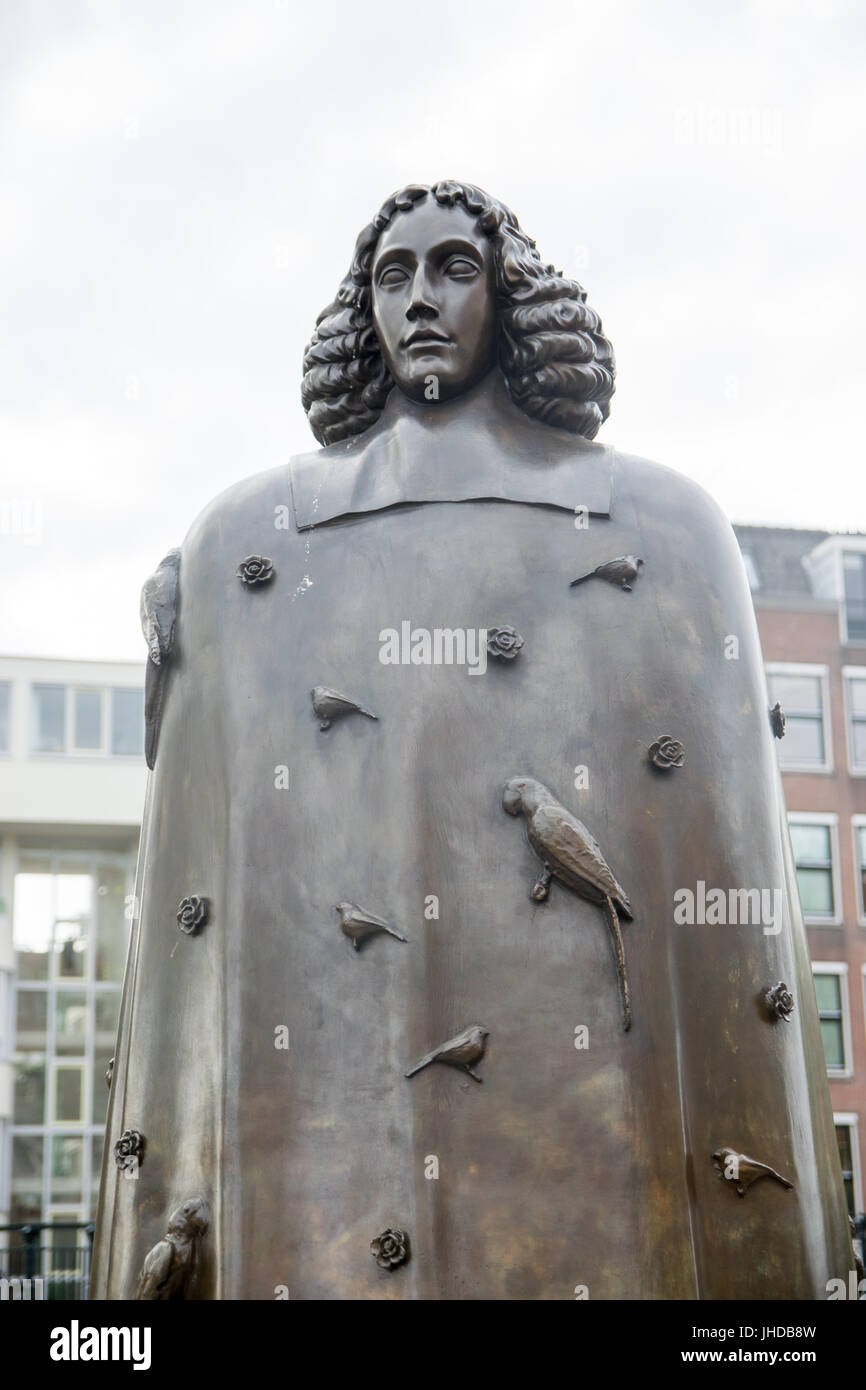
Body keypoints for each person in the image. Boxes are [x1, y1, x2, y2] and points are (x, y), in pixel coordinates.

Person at [92, 181, 851, 1300]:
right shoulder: (246, 536)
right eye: (392, 276)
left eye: (453, 268)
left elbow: (726, 905)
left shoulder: (662, 525)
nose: (421, 301)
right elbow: (198, 906)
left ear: (508, 296)